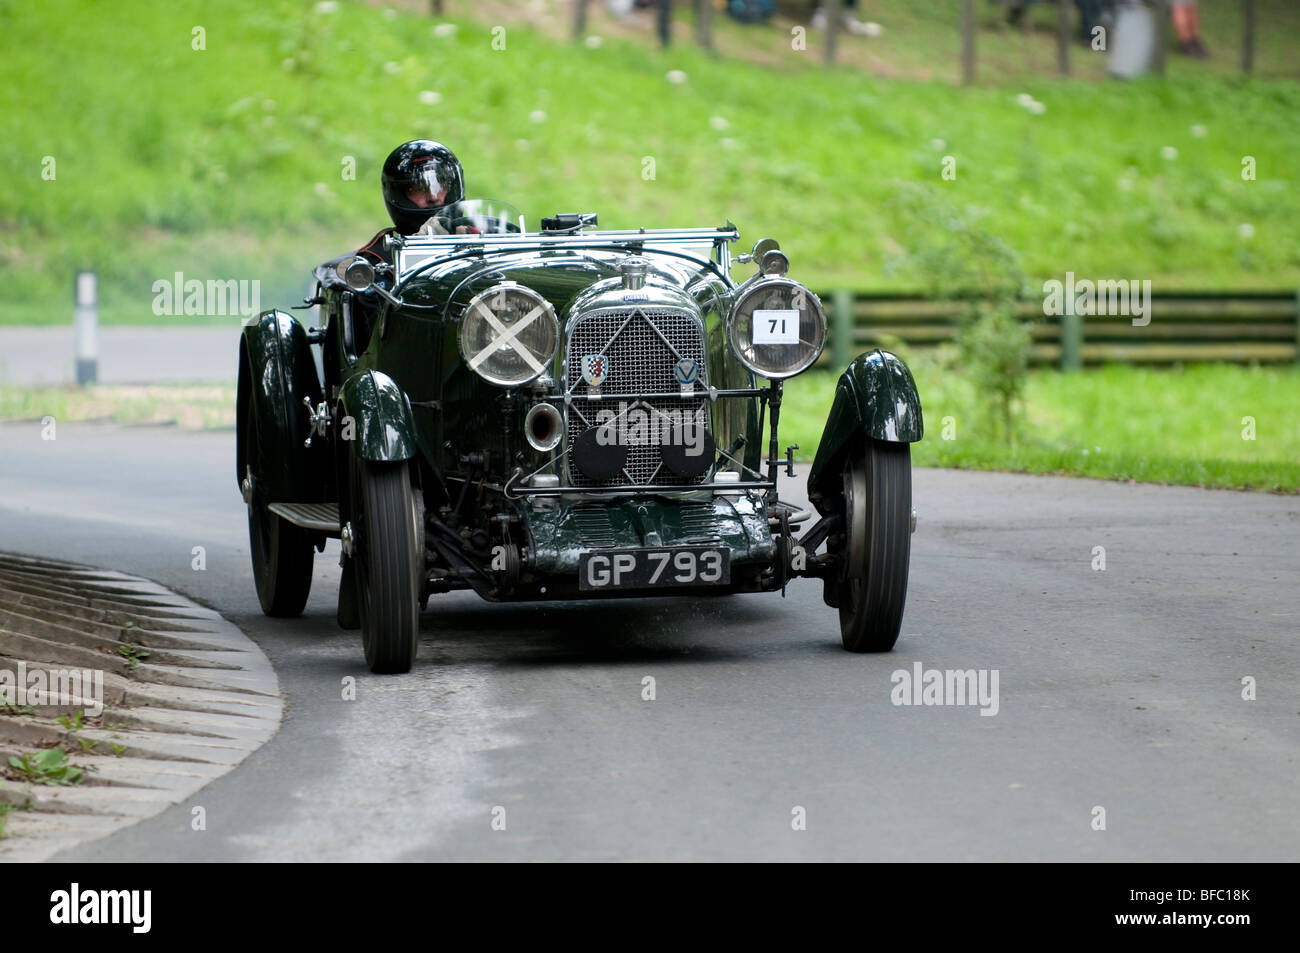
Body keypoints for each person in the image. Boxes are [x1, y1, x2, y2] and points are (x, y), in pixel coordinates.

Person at [357, 139, 466, 267]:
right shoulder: (375, 261)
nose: (433, 197)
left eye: (441, 185)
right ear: (399, 195)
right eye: (420, 189)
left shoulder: (477, 237)